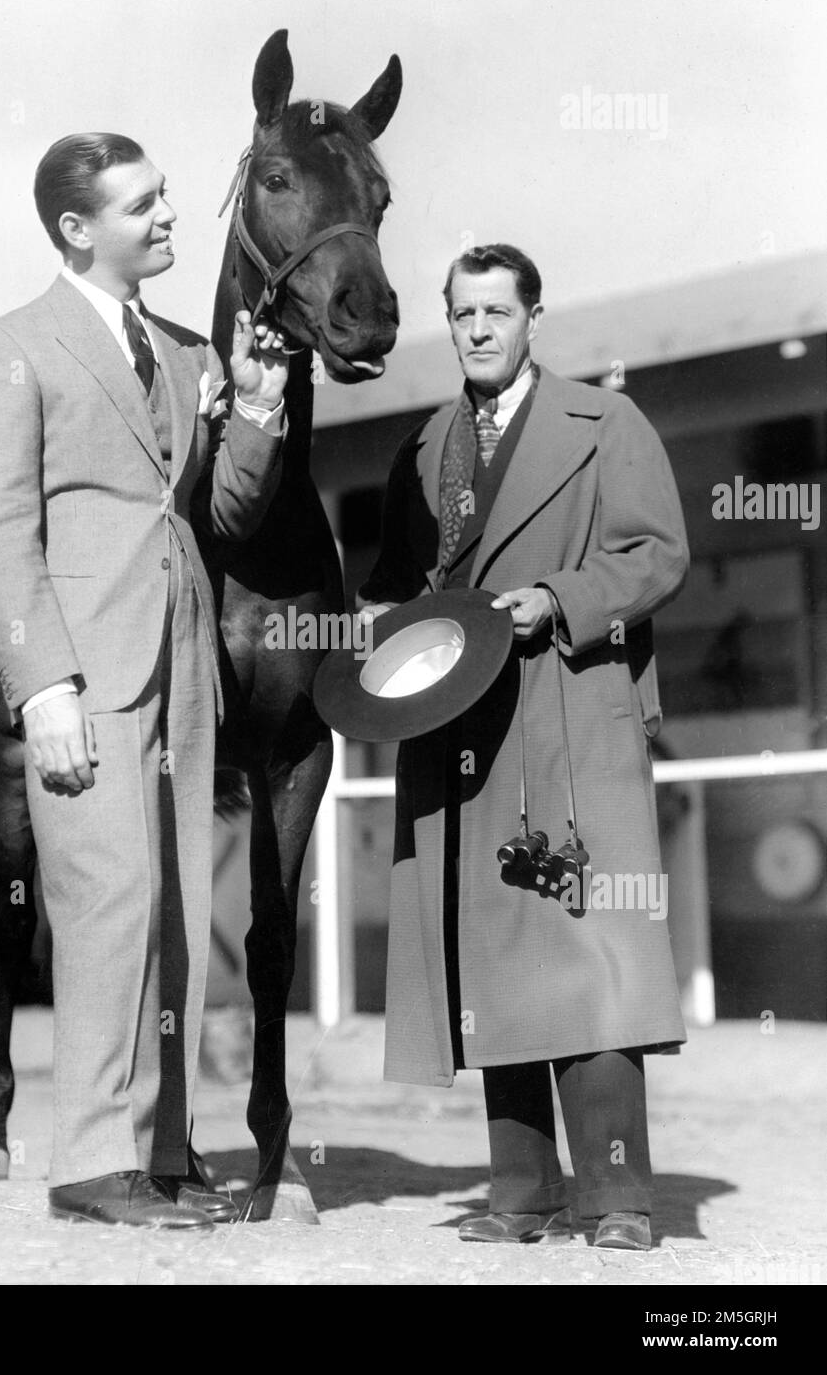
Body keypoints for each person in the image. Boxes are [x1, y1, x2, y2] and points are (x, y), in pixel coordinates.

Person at [0, 133, 288, 1229]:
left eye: (165, 196)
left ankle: (164, 1149)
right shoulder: (6, 349)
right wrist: (41, 684)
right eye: (143, 205)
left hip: (184, 663)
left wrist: (258, 411)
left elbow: (218, 515)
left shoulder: (190, 355)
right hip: (80, 667)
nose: (169, 217)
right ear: (77, 228)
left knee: (182, 905)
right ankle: (93, 1161)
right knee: (106, 903)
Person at [358, 243, 689, 1251]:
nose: (479, 329)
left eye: (498, 311)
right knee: (490, 955)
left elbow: (656, 553)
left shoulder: (606, 423)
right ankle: (521, 1188)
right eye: (462, 314)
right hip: (459, 728)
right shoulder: (420, 453)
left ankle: (617, 1196)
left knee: (591, 952)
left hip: (571, 708)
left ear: (534, 316)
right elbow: (391, 587)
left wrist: (560, 598)